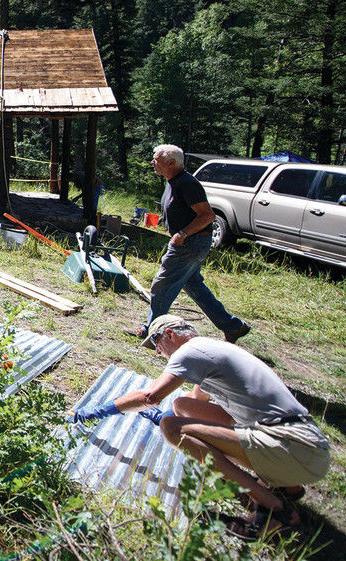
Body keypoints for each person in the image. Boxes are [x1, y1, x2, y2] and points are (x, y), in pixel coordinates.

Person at [71, 314, 329, 541]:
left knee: (172, 428)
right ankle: (287, 486)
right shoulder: (213, 351)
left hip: (294, 448)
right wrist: (158, 414)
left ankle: (275, 508)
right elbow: (192, 405)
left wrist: (97, 412)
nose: (159, 354)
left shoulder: (190, 352)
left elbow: (150, 396)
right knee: (182, 406)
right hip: (307, 444)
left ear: (170, 334)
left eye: (157, 346)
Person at [135, 144, 250, 343]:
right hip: (191, 243)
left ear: (171, 162)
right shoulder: (172, 181)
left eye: (156, 159)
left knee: (161, 286)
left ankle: (153, 334)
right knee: (194, 285)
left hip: (189, 243)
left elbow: (208, 216)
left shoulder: (187, 183)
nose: (152, 162)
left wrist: (182, 233)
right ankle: (233, 326)